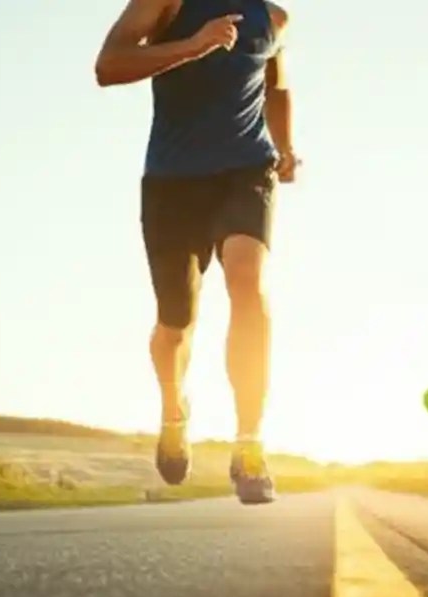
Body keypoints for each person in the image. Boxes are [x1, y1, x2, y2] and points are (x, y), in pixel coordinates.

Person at [94, 0, 298, 504]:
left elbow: (276, 85)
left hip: (246, 170)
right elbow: (108, 66)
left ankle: (249, 445)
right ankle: (173, 409)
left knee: (247, 280)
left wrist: (285, 144)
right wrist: (192, 45)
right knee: (176, 322)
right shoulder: (164, 3)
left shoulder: (273, 18)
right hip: (173, 182)